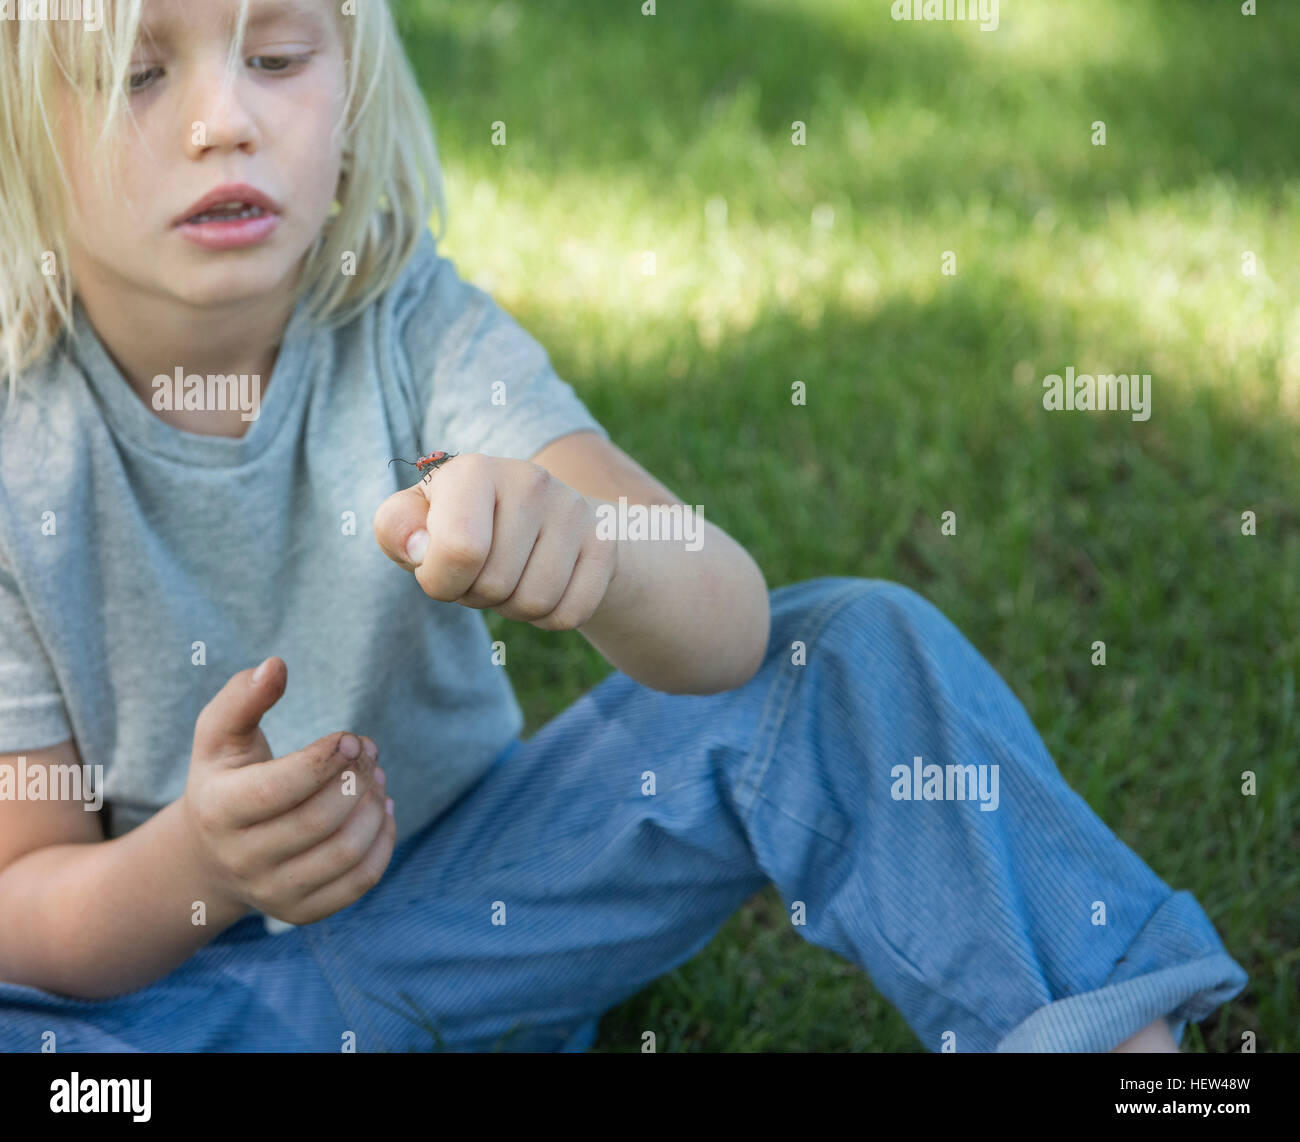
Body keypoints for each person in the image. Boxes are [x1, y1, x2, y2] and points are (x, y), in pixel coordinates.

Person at [0, 0, 1246, 1052]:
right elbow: (27, 899)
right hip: (184, 1012)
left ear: (353, 100)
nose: (225, 119)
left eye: (277, 58)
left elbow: (728, 630)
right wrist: (204, 867)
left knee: (845, 651)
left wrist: (595, 553)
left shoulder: (412, 328)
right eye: (136, 75)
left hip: (483, 935)